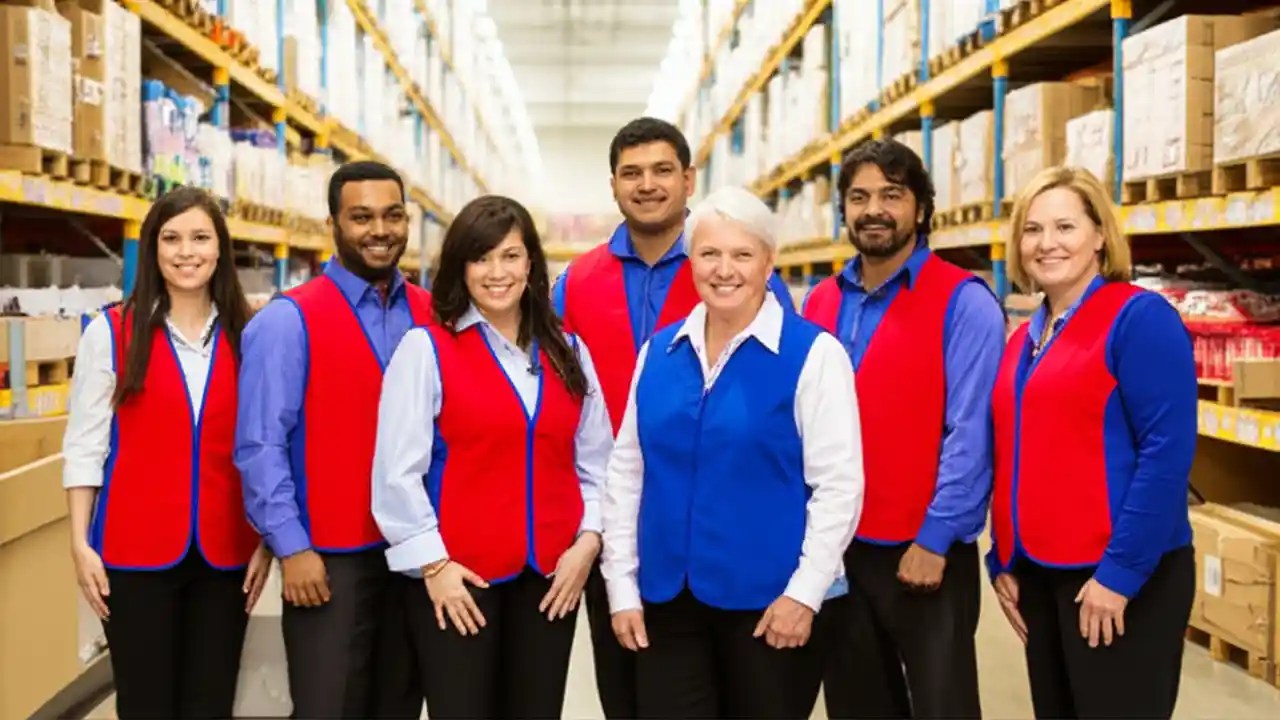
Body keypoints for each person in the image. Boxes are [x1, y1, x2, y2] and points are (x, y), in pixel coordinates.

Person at [551, 117, 795, 718]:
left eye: (663, 170)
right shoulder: (576, 283)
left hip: (720, 524)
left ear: (689, 180)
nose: (647, 185)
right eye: (631, 173)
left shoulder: (729, 268)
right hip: (614, 519)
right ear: (613, 185)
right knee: (625, 689)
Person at [602, 186, 864, 719]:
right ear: (690, 262)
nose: (725, 269)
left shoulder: (813, 355)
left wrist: (805, 594)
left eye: (742, 255)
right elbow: (627, 472)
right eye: (709, 254)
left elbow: (839, 486)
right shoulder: (659, 352)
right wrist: (621, 587)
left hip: (769, 605)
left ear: (768, 263)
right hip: (668, 601)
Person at [370, 194, 612, 719]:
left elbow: (596, 464)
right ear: (461, 267)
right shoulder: (426, 349)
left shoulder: (569, 351)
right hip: (460, 579)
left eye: (510, 256)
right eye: (481, 258)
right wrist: (434, 566)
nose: (497, 272)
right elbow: (396, 474)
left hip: (552, 578)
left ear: (531, 263)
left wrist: (587, 544)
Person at [801, 138, 1006, 719]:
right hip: (839, 550)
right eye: (859, 196)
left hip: (924, 552)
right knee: (856, 704)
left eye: (892, 195)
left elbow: (971, 433)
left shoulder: (963, 302)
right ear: (843, 209)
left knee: (943, 707)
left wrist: (937, 537)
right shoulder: (818, 303)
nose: (874, 210)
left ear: (920, 208)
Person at [988, 166, 1196, 719]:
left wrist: (1119, 574)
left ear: (1100, 234)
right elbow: (1013, 454)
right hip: (1040, 573)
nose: (1046, 243)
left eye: (1064, 227)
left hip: (1120, 578)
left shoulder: (1138, 318)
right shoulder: (1023, 339)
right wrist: (1001, 556)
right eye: (1032, 230)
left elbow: (1166, 455)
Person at [62, 186, 272, 719]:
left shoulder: (251, 336)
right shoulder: (111, 333)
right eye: (171, 238)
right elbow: (86, 445)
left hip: (226, 553)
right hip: (134, 554)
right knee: (145, 704)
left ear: (220, 248)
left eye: (200, 237)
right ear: (153, 248)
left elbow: (268, 444)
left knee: (210, 704)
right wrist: (80, 543)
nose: (186, 251)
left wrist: (267, 540)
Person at [235, 161, 432, 718]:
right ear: (333, 224)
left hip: (413, 554)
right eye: (361, 217)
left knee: (397, 702)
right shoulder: (287, 320)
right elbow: (260, 444)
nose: (380, 230)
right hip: (328, 559)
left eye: (393, 215)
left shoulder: (431, 313)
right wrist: (291, 546)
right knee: (329, 706)